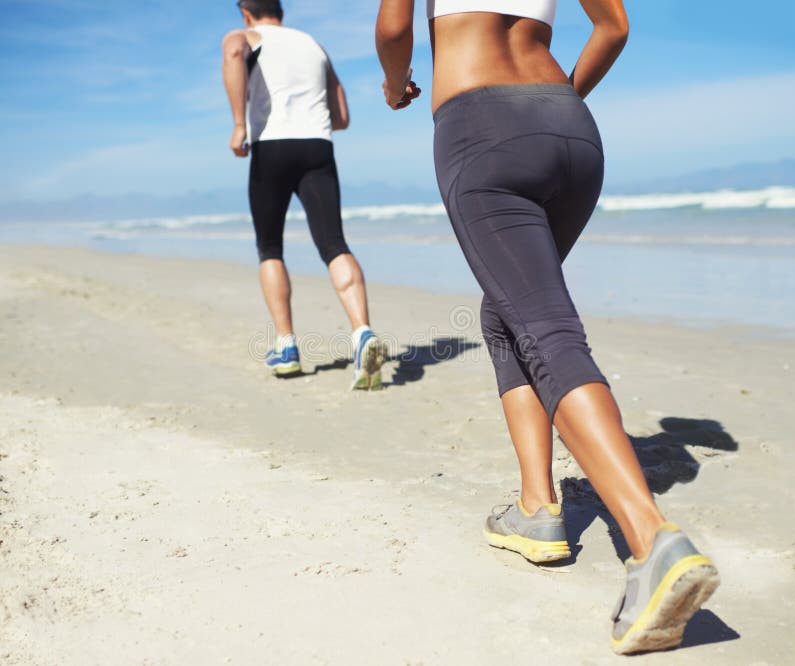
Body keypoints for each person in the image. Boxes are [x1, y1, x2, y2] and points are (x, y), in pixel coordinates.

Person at [375, 0, 719, 654]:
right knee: (505, 311)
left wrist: (397, 86)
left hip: (480, 123)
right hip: (569, 124)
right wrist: (550, 106)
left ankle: (653, 540)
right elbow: (613, 25)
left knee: (545, 327)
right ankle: (539, 508)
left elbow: (393, 30)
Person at [222, 0, 385, 390]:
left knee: (270, 247)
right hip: (317, 146)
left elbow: (232, 54)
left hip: (272, 148)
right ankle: (362, 332)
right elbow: (342, 116)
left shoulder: (243, 35)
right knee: (333, 244)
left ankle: (287, 347)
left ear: (246, 12)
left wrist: (240, 123)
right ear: (279, 9)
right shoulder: (314, 44)